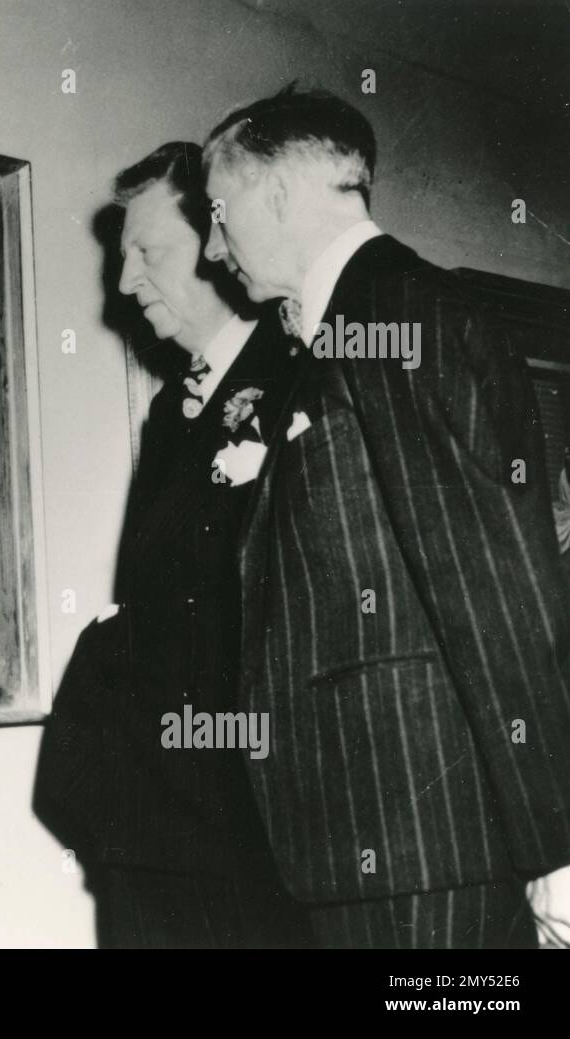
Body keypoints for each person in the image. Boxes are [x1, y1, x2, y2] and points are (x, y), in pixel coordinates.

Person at [202, 85, 570, 948]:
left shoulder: (399, 312)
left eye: (219, 213)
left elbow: (493, 585)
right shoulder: (330, 343)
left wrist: (557, 844)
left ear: (278, 194)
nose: (215, 246)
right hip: (364, 846)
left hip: (428, 852)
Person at [34, 143, 307, 948]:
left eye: (148, 253)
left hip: (250, 839)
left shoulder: (305, 381)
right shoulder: (171, 413)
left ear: (221, 252)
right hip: (150, 832)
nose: (124, 283)